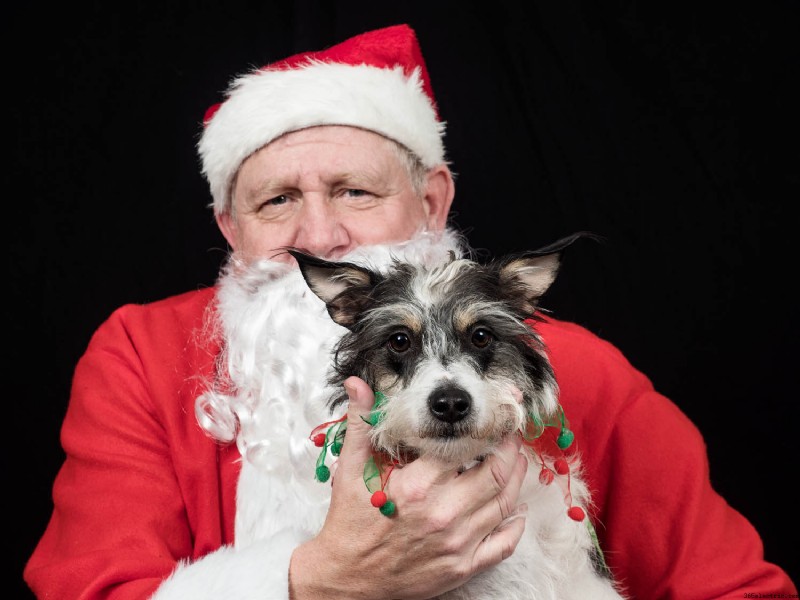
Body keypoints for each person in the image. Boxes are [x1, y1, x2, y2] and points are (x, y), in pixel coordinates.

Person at [23, 23, 796, 600]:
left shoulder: (574, 365)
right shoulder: (139, 354)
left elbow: (737, 589)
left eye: (356, 191)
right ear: (230, 227)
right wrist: (318, 581)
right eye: (276, 200)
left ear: (431, 203)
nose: (320, 236)